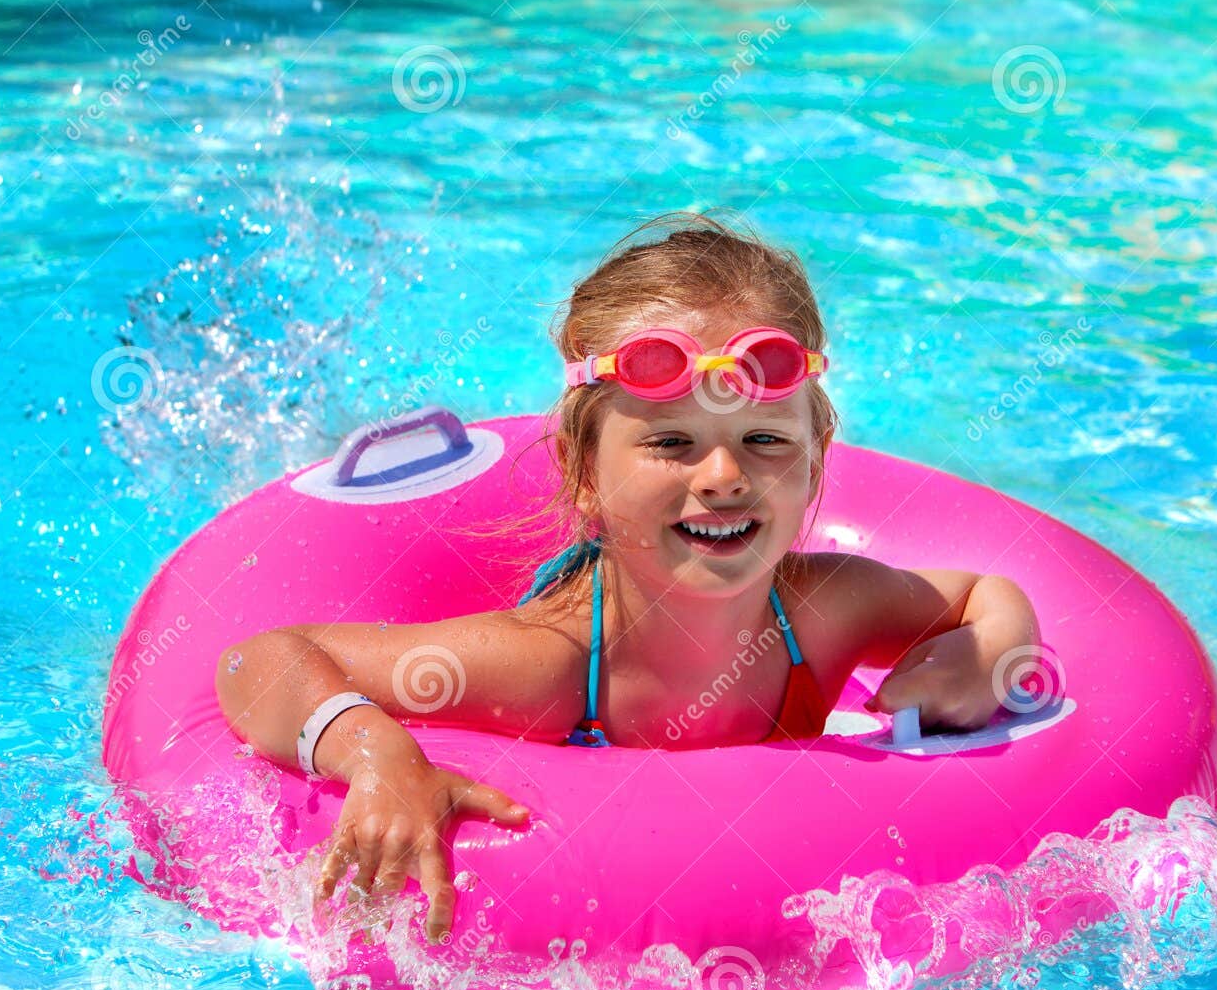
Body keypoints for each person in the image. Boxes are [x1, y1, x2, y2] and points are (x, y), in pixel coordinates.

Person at [215, 212, 1039, 945]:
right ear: (581, 472)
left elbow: (982, 595)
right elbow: (259, 661)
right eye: (672, 444)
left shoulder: (827, 611)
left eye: (765, 441)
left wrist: (992, 647)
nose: (723, 476)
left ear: (817, 454)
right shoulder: (547, 663)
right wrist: (376, 753)